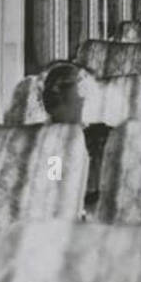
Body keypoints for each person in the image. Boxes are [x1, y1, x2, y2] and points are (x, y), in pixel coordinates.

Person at [40, 60, 111, 209]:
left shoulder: (103, 139)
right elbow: (54, 187)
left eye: (64, 84)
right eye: (50, 86)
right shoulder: (53, 143)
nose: (54, 89)